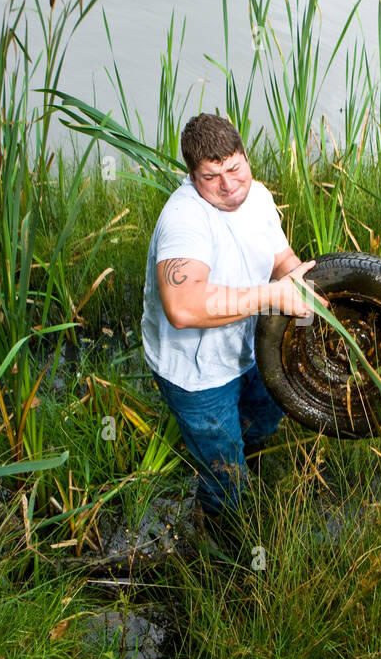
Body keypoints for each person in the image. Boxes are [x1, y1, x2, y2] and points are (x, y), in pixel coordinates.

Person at [140, 113, 327, 558]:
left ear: (245, 157)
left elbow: (281, 257)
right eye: (211, 176)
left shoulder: (257, 196)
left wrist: (306, 290)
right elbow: (183, 308)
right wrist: (272, 295)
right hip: (197, 374)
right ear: (192, 175)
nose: (227, 185)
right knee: (224, 475)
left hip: (251, 351)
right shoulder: (184, 220)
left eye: (234, 167)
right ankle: (228, 553)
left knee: (261, 426)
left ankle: (245, 477)